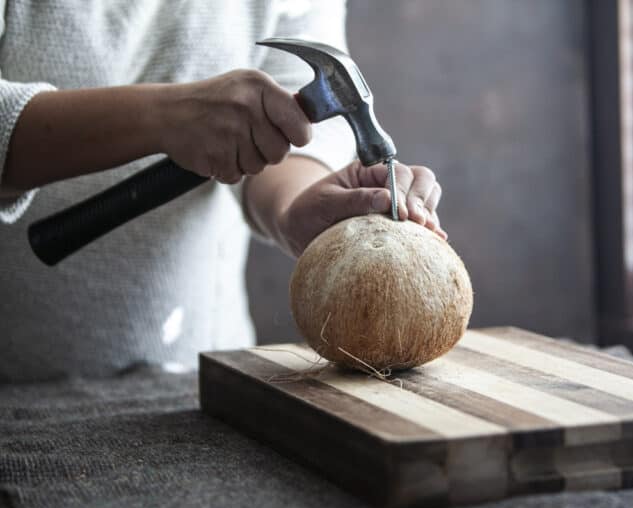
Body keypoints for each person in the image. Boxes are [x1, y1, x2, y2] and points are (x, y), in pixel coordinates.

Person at [0, 0, 445, 382]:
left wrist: (296, 207)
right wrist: (161, 117)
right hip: (18, 381)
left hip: (200, 371)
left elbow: (289, 123)